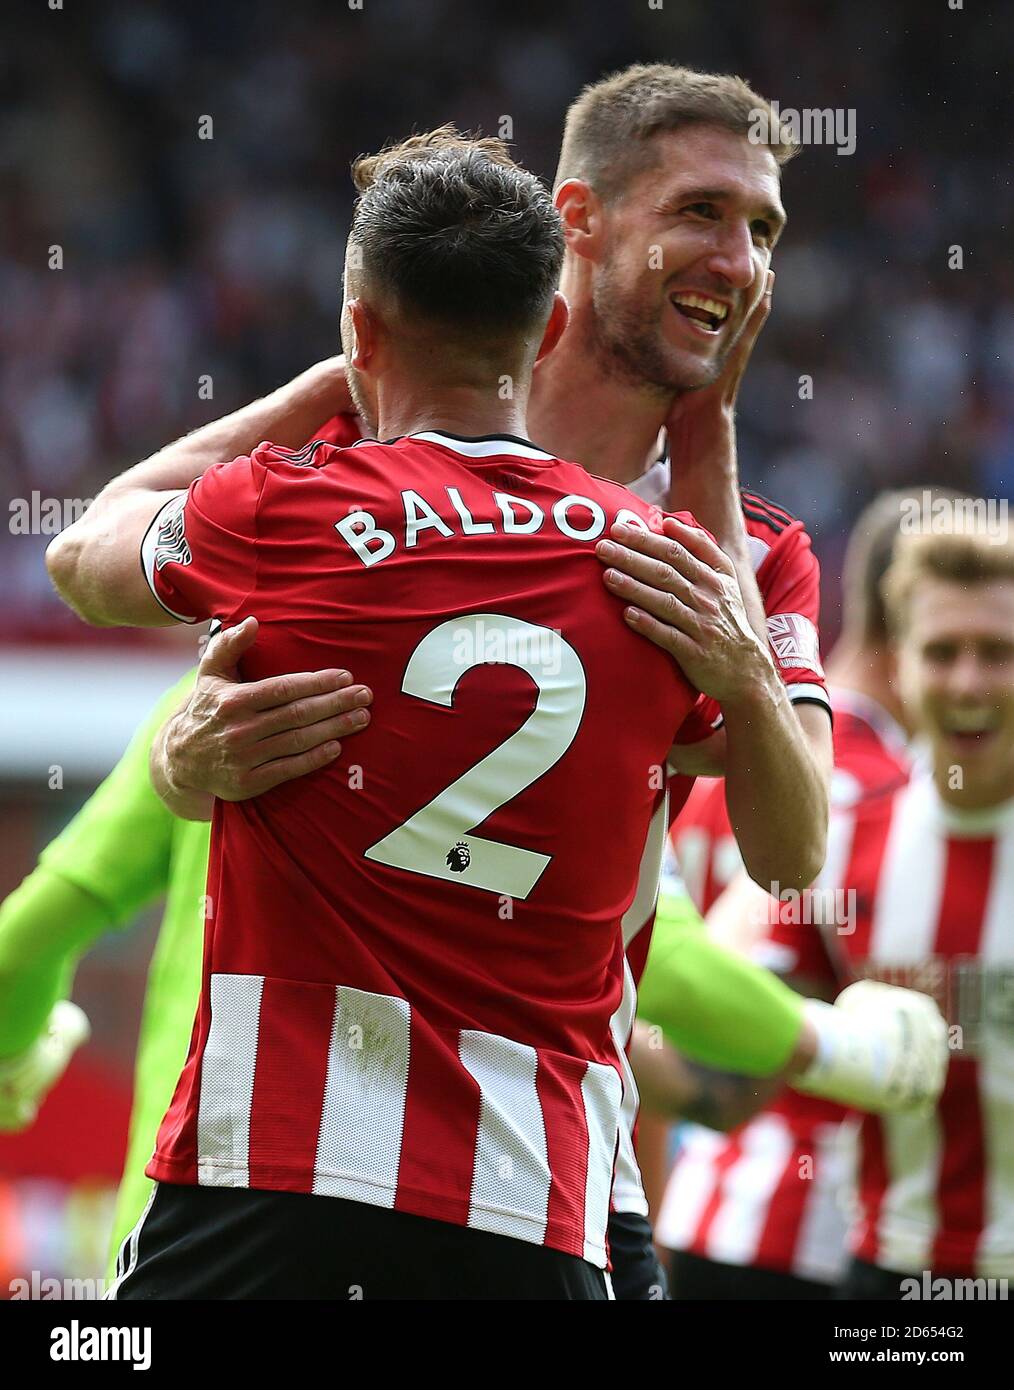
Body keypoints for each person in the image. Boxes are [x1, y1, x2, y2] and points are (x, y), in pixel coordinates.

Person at [153, 66, 835, 1299]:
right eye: (701, 213)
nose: (739, 263)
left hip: (560, 1154)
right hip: (286, 1147)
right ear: (576, 221)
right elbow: (203, 746)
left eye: (764, 231)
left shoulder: (755, 553)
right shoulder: (354, 464)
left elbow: (798, 849)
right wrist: (175, 758)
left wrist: (720, 518)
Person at [651, 491, 921, 1298]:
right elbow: (695, 1018)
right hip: (797, 1239)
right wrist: (856, 1050)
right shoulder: (866, 794)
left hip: (680, 1203)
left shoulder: (728, 763)